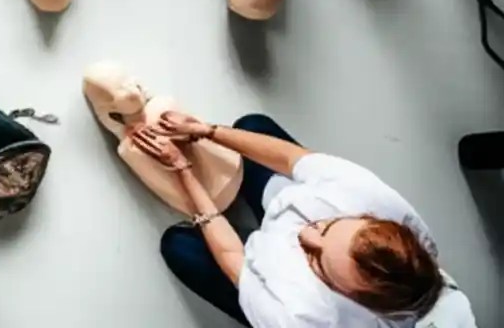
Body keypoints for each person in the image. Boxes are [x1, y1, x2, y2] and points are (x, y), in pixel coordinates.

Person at [134, 112, 469, 327]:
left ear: (343, 293)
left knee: (178, 246)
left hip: (280, 299)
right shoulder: (376, 201)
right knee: (252, 127)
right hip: (298, 212)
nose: (308, 236)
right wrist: (204, 131)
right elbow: (290, 158)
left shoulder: (301, 318)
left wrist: (182, 170)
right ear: (368, 217)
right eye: (328, 227)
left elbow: (232, 257)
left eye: (316, 259)